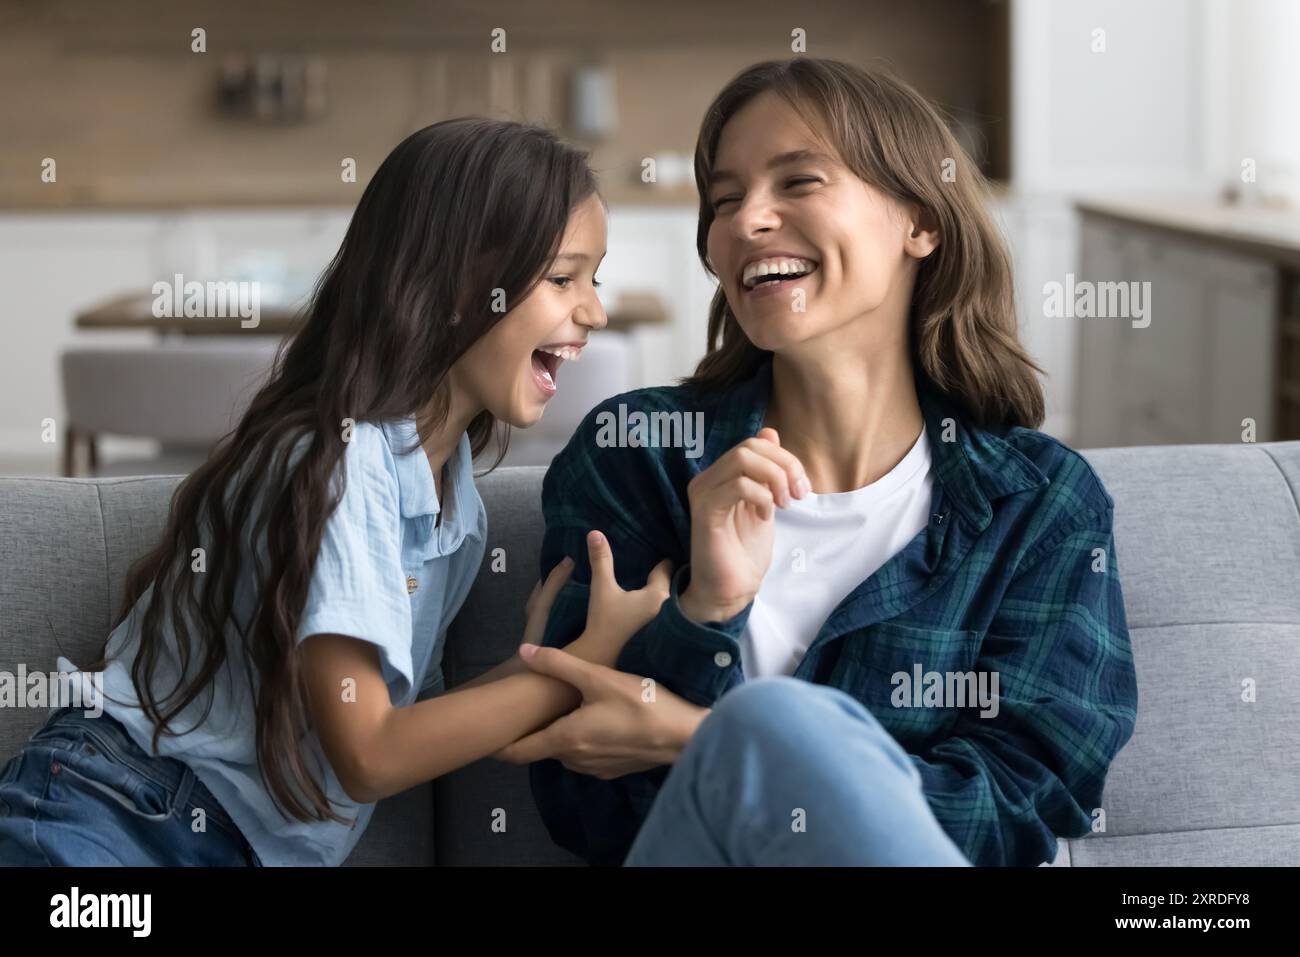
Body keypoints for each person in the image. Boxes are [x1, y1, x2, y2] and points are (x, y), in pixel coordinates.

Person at [505, 58, 1139, 867]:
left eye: (797, 181)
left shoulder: (1042, 504)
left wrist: (695, 734)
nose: (746, 221)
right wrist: (706, 609)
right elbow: (581, 803)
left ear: (921, 221)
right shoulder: (638, 454)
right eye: (725, 200)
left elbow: (1026, 807)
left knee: (775, 722)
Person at [0, 118, 671, 866]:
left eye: (595, 279)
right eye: (562, 278)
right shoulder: (338, 466)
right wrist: (588, 654)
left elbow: (415, 727)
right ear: (455, 288)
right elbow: (371, 753)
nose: (595, 311)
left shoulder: (456, 510)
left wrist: (556, 665)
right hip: (115, 813)